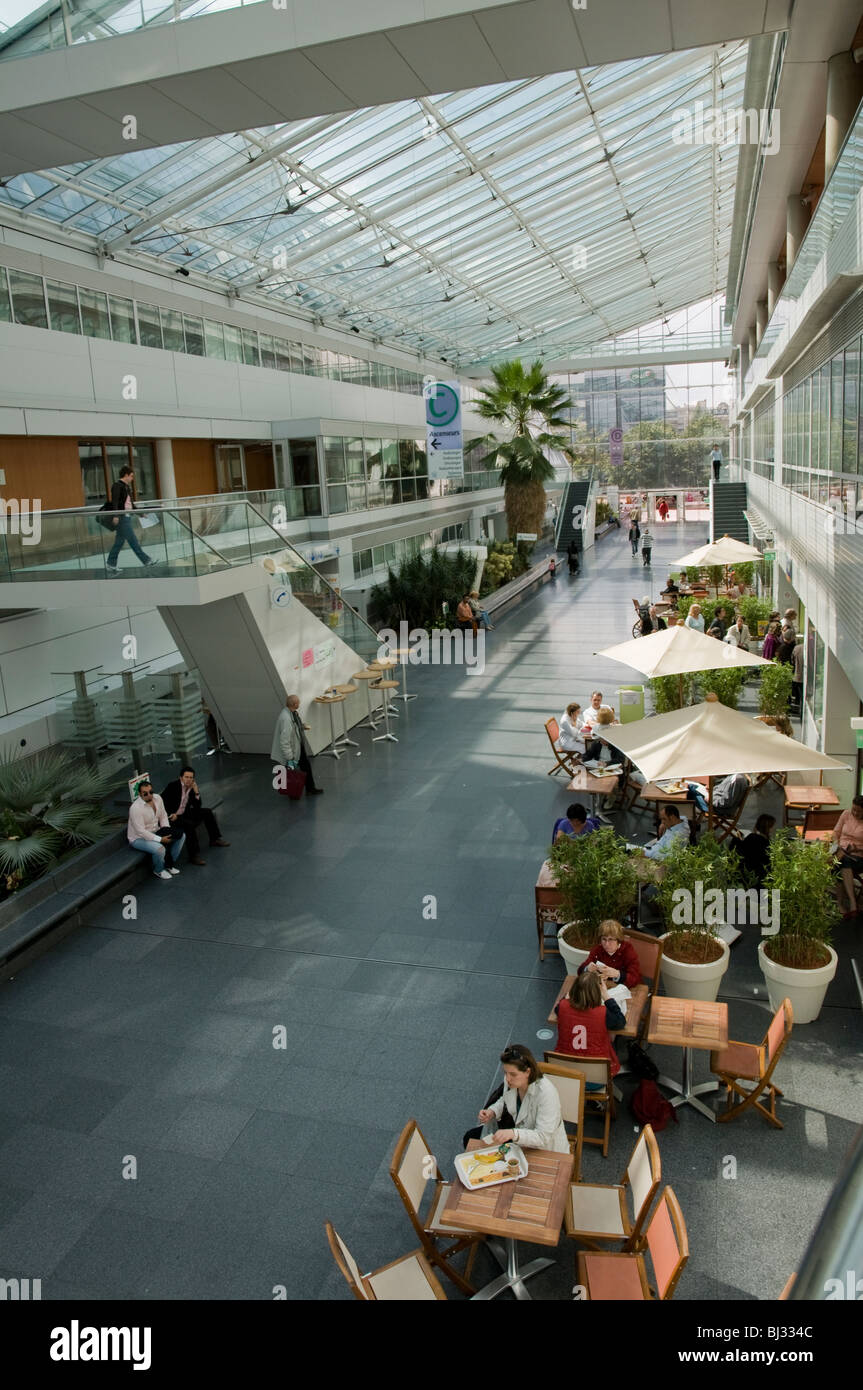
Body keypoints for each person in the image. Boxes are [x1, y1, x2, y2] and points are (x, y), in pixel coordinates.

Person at [472, 1044, 569, 1152]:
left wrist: (514, 1133)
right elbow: (504, 1100)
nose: (507, 1078)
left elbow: (543, 1137)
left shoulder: (546, 1093)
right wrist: (492, 1111)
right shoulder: (512, 1081)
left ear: (528, 1072)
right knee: (471, 1138)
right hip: (521, 1140)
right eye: (505, 1073)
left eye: (513, 1074)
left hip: (546, 1149)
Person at [553, 971, 625, 1081]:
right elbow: (620, 1022)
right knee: (613, 1039)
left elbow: (558, 1008)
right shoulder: (603, 1013)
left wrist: (567, 996)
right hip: (596, 1078)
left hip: (566, 1073)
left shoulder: (563, 1007)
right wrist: (607, 997)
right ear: (597, 992)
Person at [161, 766, 230, 866]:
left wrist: (196, 792)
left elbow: (198, 806)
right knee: (189, 826)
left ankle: (215, 839)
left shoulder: (192, 787)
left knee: (207, 812)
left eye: (191, 777)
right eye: (186, 777)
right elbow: (161, 802)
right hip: (173, 816)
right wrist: (170, 814)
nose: (189, 779)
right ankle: (193, 856)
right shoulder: (173, 786)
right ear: (181, 778)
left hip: (185, 812)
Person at [105, 464, 158, 574]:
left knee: (119, 542)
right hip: (121, 517)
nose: (132, 478)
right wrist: (115, 515)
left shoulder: (126, 487)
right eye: (131, 476)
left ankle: (111, 563)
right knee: (133, 540)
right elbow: (114, 501)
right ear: (126, 475)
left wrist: (140, 514)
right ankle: (146, 560)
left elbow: (130, 504)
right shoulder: (117, 486)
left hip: (127, 517)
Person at [127, 781, 185, 879]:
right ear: (140, 794)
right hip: (138, 838)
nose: (149, 795)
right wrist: (160, 839)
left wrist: (166, 830)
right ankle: (159, 870)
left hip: (155, 831)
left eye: (151, 792)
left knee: (181, 836)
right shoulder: (135, 808)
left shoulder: (157, 798)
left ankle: (169, 864)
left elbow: (163, 816)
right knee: (159, 848)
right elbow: (141, 831)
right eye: (145, 793)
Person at [271, 694, 323, 795]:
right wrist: (290, 758)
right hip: (293, 751)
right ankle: (296, 791)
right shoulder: (286, 719)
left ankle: (307, 789)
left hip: (298, 748)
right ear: (295, 704)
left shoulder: (292, 713)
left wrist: (302, 727)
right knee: (292, 772)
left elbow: (294, 728)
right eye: (298, 702)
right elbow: (284, 741)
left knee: (304, 767)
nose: (299, 704)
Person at [578, 919, 641, 988]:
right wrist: (587, 968)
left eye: (611, 939)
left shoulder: (628, 950)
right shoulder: (598, 949)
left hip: (624, 988)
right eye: (604, 939)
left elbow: (635, 978)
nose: (607, 944)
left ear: (619, 940)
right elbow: (580, 970)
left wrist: (617, 974)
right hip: (603, 986)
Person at [831, 795, 863, 918]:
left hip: (858, 857)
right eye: (853, 809)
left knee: (840, 863)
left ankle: (845, 904)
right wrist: (836, 844)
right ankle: (850, 904)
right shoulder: (846, 814)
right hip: (841, 852)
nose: (855, 813)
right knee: (841, 860)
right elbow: (836, 832)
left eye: (859, 811)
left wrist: (858, 848)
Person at [736, 813, 776, 888]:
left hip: (745, 875)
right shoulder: (766, 843)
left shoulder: (751, 837)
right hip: (759, 878)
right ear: (768, 828)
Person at [791, 642, 804, 710]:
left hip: (798, 675)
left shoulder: (797, 648)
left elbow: (792, 661)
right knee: (804, 697)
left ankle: (800, 711)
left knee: (800, 696)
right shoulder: (810, 648)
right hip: (805, 676)